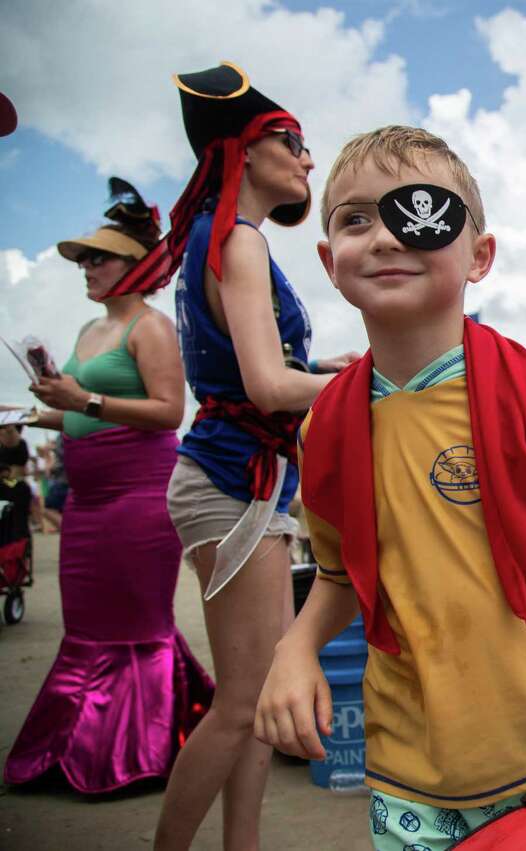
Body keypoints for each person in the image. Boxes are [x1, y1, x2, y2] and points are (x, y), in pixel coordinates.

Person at [254, 125, 526, 851]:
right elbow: (341, 571)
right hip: (403, 774)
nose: (382, 237)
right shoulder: (327, 426)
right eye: (355, 219)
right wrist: (295, 647)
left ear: (479, 256)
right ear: (328, 261)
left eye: (416, 213)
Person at [152, 63, 357, 850]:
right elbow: (270, 386)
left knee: (261, 687)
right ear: (245, 146)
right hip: (231, 478)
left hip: (245, 477)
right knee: (243, 699)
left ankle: (245, 844)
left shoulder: (228, 238)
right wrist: (367, 379)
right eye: (292, 141)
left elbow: (263, 378)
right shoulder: (236, 240)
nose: (308, 158)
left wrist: (326, 374)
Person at [4, 181, 214, 794]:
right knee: (88, 627)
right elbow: (79, 413)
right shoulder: (89, 332)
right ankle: (78, 745)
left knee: (135, 625)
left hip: (137, 494)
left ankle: (137, 752)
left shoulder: (150, 328)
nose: (85, 269)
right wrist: (26, 414)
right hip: (89, 502)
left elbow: (168, 410)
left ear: (135, 263)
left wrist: (83, 398)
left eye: (98, 257)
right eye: (83, 260)